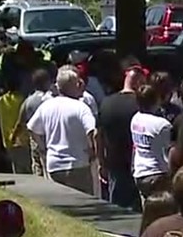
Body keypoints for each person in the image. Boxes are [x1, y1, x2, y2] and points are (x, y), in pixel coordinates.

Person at [27, 65, 99, 194]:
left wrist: (42, 148)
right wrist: (92, 151)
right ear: (73, 86)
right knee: (83, 203)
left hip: (54, 165)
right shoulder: (81, 107)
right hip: (78, 164)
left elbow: (32, 128)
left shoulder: (47, 106)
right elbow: (92, 131)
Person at [99, 66, 146, 210]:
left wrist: (101, 162)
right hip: (137, 163)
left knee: (116, 208)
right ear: (138, 83)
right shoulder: (140, 105)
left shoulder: (106, 103)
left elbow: (98, 135)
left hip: (114, 163)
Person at [131, 83, 174, 200]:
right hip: (157, 173)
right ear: (156, 100)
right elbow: (168, 151)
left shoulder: (135, 119)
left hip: (140, 172)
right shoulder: (162, 125)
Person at [17, 68, 54, 178]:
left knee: (37, 164)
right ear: (47, 81)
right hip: (50, 136)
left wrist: (15, 135)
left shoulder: (28, 101)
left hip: (34, 136)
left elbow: (21, 119)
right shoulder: (52, 99)